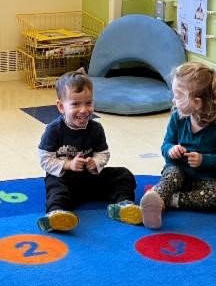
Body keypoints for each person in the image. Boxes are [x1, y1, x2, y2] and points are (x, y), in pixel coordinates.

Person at [36, 70, 140, 232]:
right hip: (65, 179)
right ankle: (57, 214)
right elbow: (44, 159)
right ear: (61, 107)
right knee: (55, 187)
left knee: (123, 175)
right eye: (75, 104)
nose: (84, 110)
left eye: (88, 103)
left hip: (90, 178)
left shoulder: (96, 128)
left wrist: (95, 163)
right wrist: (68, 165)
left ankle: (123, 206)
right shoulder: (54, 130)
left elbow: (103, 153)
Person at [139, 62, 216, 229]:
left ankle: (166, 199)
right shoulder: (178, 118)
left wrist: (203, 160)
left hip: (204, 180)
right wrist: (171, 150)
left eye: (178, 96)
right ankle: (157, 201)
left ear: (197, 103)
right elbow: (166, 145)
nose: (173, 100)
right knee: (172, 175)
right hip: (177, 171)